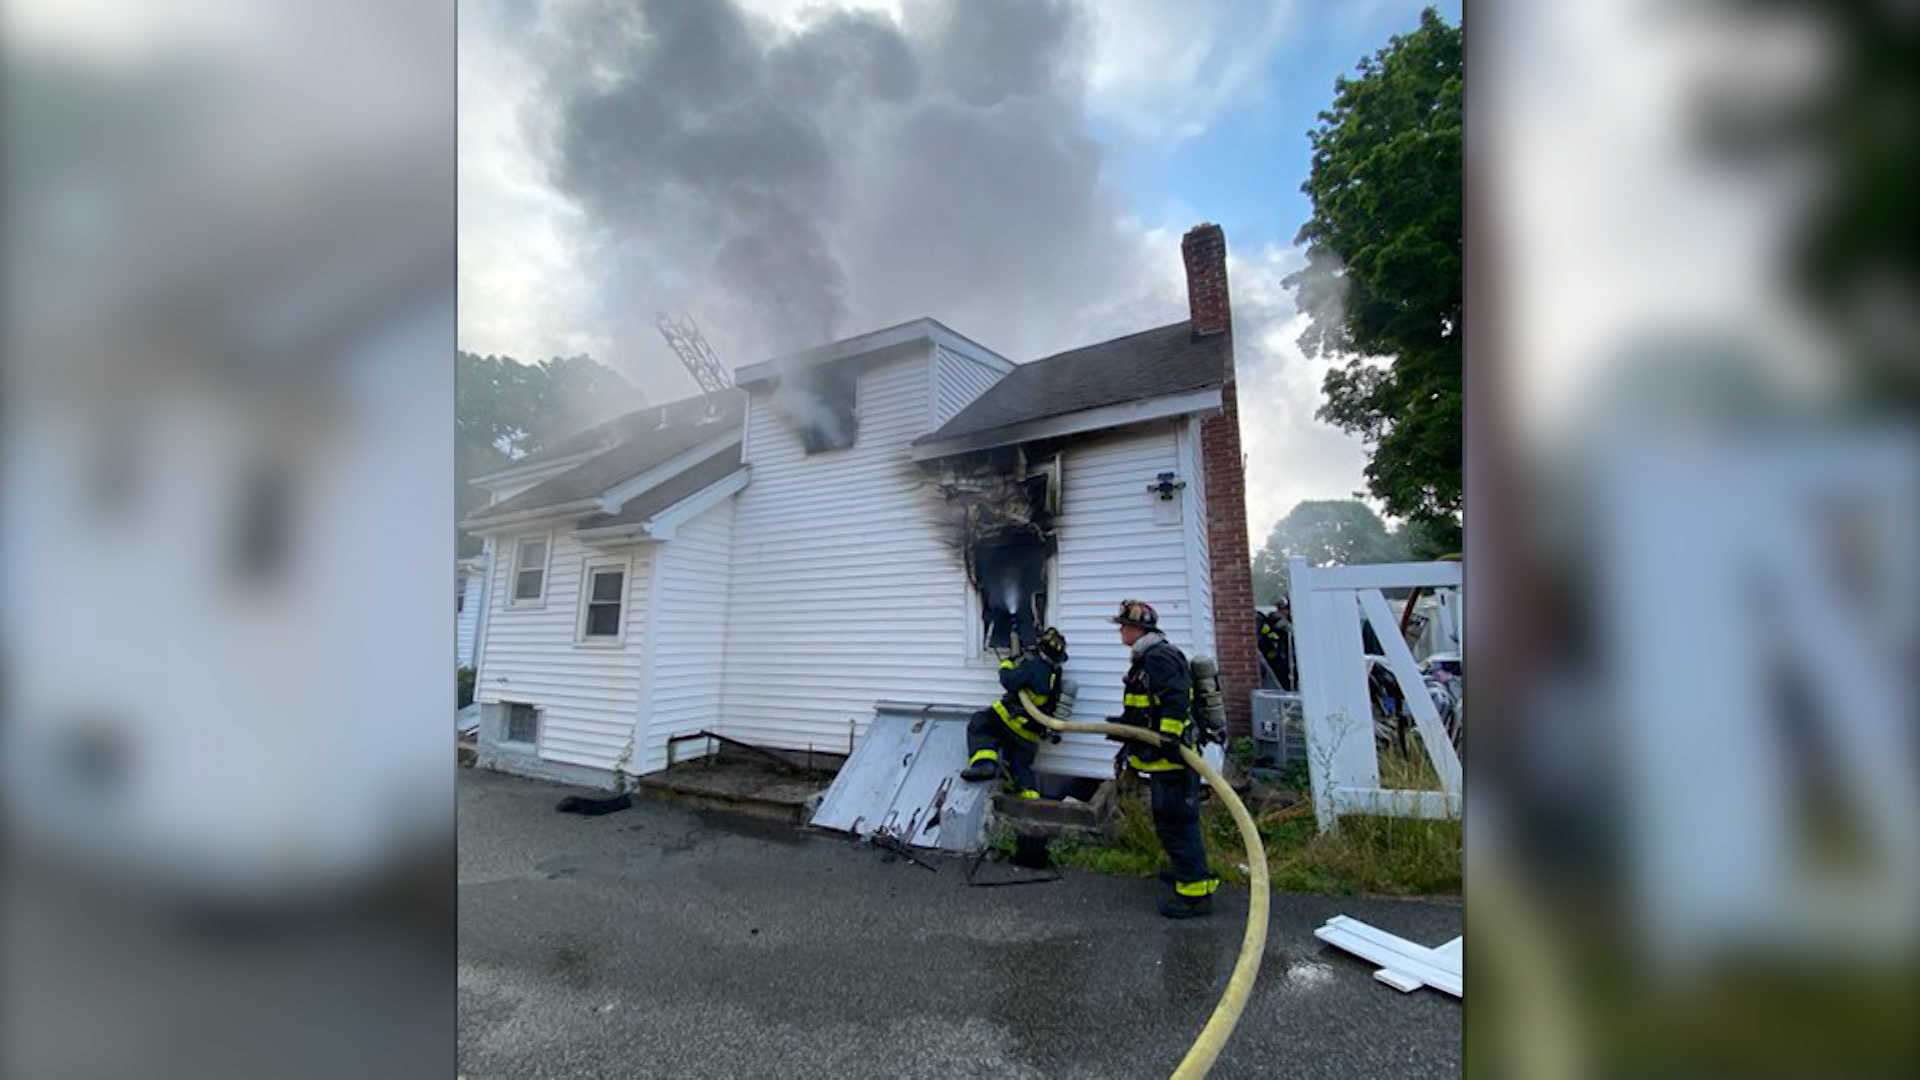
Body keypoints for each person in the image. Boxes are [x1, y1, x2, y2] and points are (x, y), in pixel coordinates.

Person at [1108, 599, 1219, 919]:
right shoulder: (1148, 658)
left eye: (1123, 626)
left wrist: (1169, 737)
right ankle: (1183, 870)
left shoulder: (1158, 657)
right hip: (1161, 759)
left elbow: (1176, 698)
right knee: (1168, 820)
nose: (1120, 631)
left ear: (1137, 629)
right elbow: (1148, 704)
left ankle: (1195, 894)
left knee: (1177, 823)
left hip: (1172, 759)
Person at [960, 626, 1069, 799]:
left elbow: (1009, 681)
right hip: (1031, 735)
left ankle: (984, 764)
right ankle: (1032, 802)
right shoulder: (1054, 674)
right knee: (1021, 768)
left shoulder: (1033, 667)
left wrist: (1006, 664)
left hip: (1008, 723)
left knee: (980, 723)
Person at [1257, 600, 1296, 691]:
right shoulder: (1275, 621)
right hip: (1279, 659)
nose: (1285, 612)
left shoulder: (1290, 623)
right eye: (1282, 609)